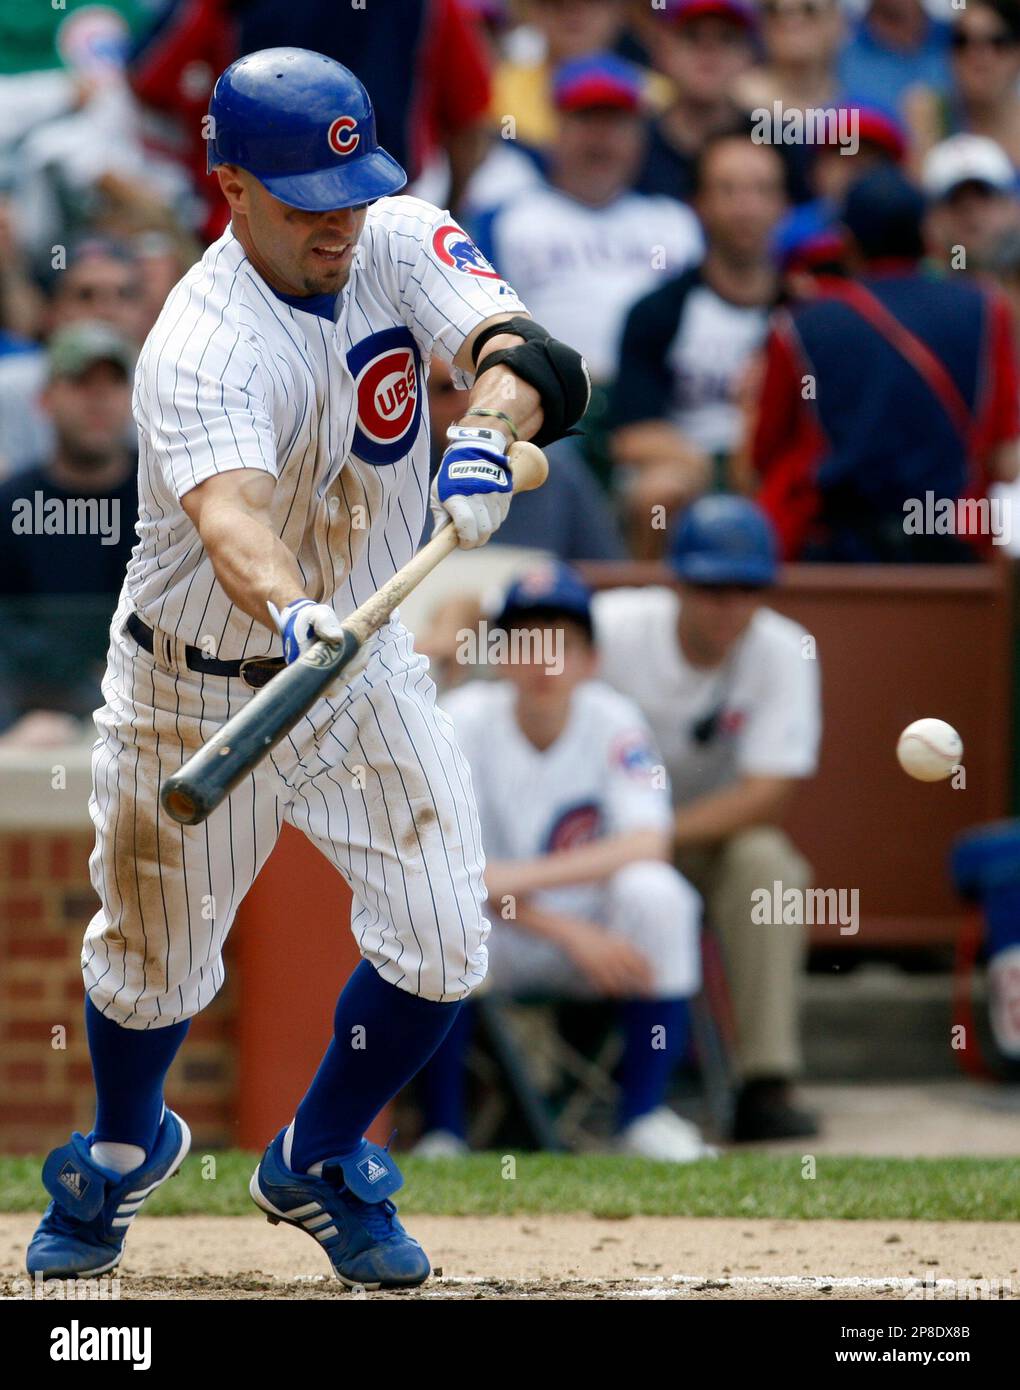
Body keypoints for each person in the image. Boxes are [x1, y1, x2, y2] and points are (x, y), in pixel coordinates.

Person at [24, 47, 590, 1291]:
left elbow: (526, 350)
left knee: (445, 938)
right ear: (229, 184)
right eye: (301, 198)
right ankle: (122, 1148)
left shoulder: (391, 231)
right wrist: (292, 610)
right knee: (153, 960)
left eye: (350, 189)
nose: (336, 222)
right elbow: (232, 520)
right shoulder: (199, 341)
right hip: (200, 679)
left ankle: (319, 1158)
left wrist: (488, 431)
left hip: (362, 666)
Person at [416, 561, 712, 1162]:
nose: (544, 660)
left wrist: (531, 891)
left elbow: (648, 842)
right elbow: (440, 866)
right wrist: (563, 929)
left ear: (590, 659)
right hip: (496, 936)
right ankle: (444, 1132)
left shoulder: (614, 719)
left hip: (602, 943)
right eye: (526, 642)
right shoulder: (463, 718)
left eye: (563, 644)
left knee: (659, 894)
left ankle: (643, 1118)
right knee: (434, 913)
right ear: (500, 655)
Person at [593, 497, 821, 1141]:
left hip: (693, 838)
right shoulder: (615, 624)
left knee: (769, 862)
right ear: (679, 584)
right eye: (714, 587)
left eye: (747, 589)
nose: (732, 606)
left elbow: (769, 791)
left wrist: (652, 840)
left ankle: (765, 1083)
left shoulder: (785, 649)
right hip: (588, 838)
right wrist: (452, 616)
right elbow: (502, 615)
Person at [752, 166, 1020, 561]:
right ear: (927, 235)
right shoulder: (985, 308)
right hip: (954, 547)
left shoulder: (800, 323)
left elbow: (769, 450)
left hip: (836, 550)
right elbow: (1003, 440)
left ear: (846, 243)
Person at [474, 53, 703, 387]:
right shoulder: (505, 219)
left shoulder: (676, 222)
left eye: (616, 122)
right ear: (557, 128)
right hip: (545, 403)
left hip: (654, 403)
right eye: (586, 119)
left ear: (641, 135)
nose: (601, 138)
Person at [610, 130, 786, 554]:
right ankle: (649, 605)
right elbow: (629, 436)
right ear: (699, 204)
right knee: (657, 493)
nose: (746, 208)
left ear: (784, 206)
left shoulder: (809, 310)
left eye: (762, 191)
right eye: (728, 191)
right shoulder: (658, 310)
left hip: (779, 468)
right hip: (689, 468)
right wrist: (720, 468)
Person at [0, 321, 138, 741]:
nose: (98, 400)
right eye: (81, 383)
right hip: (36, 714)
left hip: (149, 712)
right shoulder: (11, 506)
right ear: (45, 400)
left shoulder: (169, 499)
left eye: (112, 385)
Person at [0, 238, 144, 476]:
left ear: (142, 310)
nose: (107, 309)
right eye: (86, 295)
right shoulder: (7, 386)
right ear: (52, 311)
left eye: (123, 294)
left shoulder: (173, 384)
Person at [635, 0, 758, 205]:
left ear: (749, 54)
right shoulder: (635, 147)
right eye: (691, 35)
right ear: (662, 49)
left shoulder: (775, 142)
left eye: (726, 38)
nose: (709, 51)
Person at [904, 0, 1020, 172]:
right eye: (962, 42)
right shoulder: (930, 111)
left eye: (997, 42)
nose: (979, 57)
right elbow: (921, 190)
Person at [922, 134, 1020, 275]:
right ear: (931, 220)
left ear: (1012, 207)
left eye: (983, 194)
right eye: (954, 199)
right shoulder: (920, 286)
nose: (970, 209)